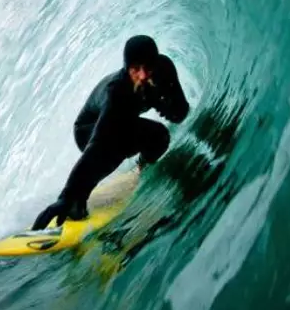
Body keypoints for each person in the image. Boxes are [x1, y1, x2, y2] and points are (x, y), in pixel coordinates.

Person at [31, 34, 190, 230]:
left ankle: (141, 168)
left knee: (159, 136)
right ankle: (74, 204)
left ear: (155, 63)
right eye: (135, 69)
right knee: (115, 146)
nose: (142, 75)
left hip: (124, 124)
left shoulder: (164, 69)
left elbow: (180, 113)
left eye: (147, 68)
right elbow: (97, 145)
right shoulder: (117, 91)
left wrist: (163, 104)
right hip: (88, 130)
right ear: (126, 67)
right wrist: (67, 196)